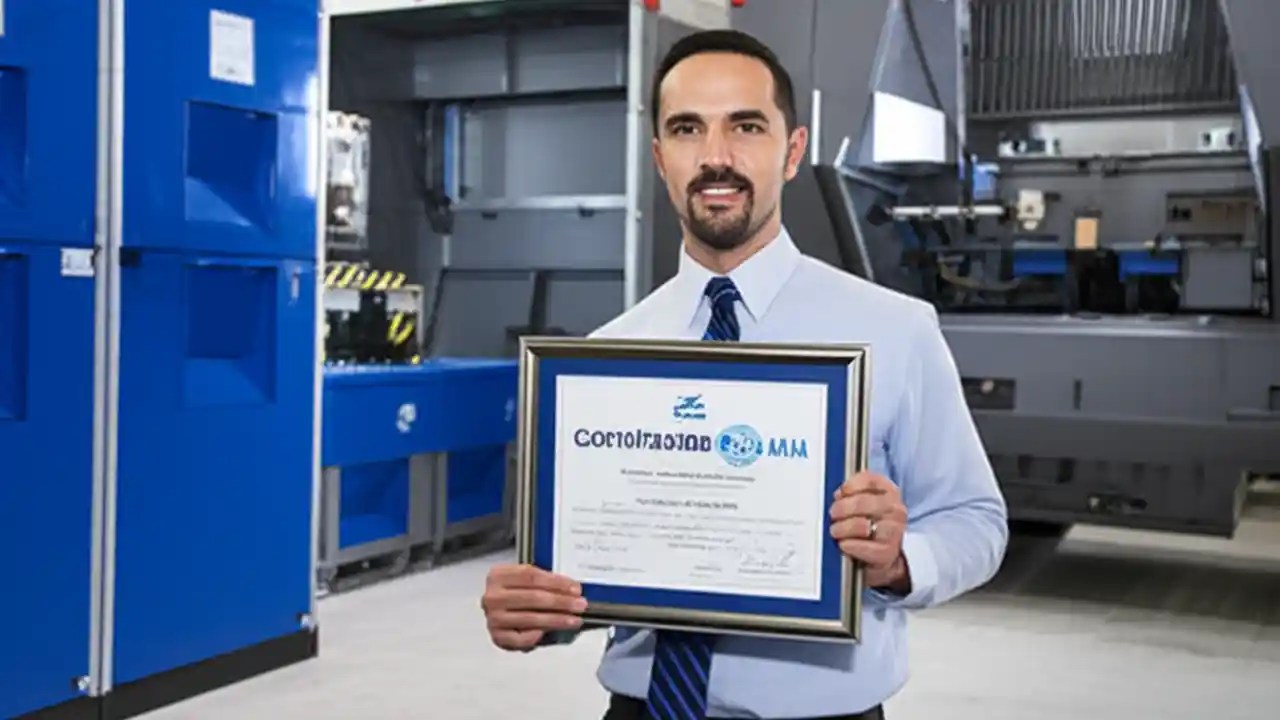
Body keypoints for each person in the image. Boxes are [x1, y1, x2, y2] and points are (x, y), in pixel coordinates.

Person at [480, 29, 1009, 720]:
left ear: (792, 152)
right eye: (687, 129)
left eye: (746, 126)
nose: (716, 157)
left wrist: (898, 562)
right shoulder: (606, 358)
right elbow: (590, 572)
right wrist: (538, 611)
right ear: (660, 158)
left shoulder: (895, 331)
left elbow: (977, 521)